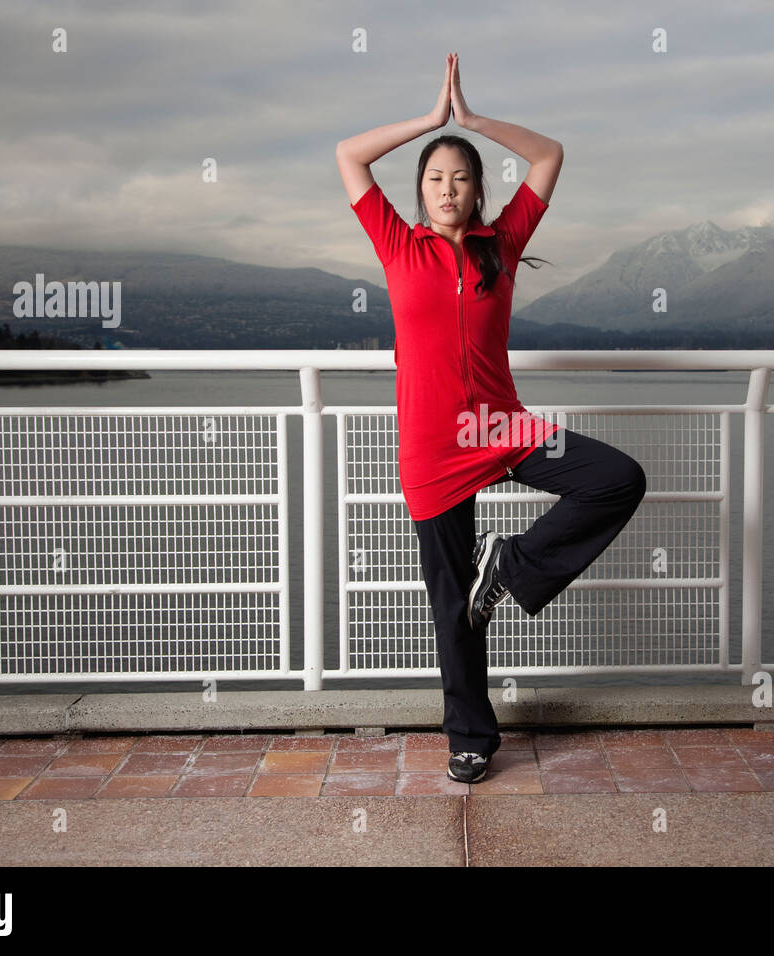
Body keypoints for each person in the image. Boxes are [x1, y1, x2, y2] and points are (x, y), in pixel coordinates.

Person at [336, 53, 645, 784]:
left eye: (462, 177)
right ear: (421, 191)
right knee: (455, 610)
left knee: (616, 478)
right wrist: (429, 120)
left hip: (501, 430)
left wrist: (472, 121)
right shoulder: (396, 244)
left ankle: (511, 563)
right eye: (435, 178)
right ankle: (470, 737)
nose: (447, 190)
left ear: (479, 191)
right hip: (432, 449)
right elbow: (348, 155)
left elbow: (549, 154)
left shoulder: (500, 247)